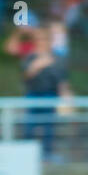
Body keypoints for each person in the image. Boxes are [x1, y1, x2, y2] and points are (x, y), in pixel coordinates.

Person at [20, 29, 68, 161]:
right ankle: (27, 155)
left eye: (44, 40)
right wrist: (37, 65)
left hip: (50, 95)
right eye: (39, 40)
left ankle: (48, 155)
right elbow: (25, 76)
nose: (42, 43)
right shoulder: (30, 57)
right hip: (33, 95)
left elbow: (62, 80)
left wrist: (66, 97)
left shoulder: (57, 59)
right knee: (29, 126)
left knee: (49, 128)